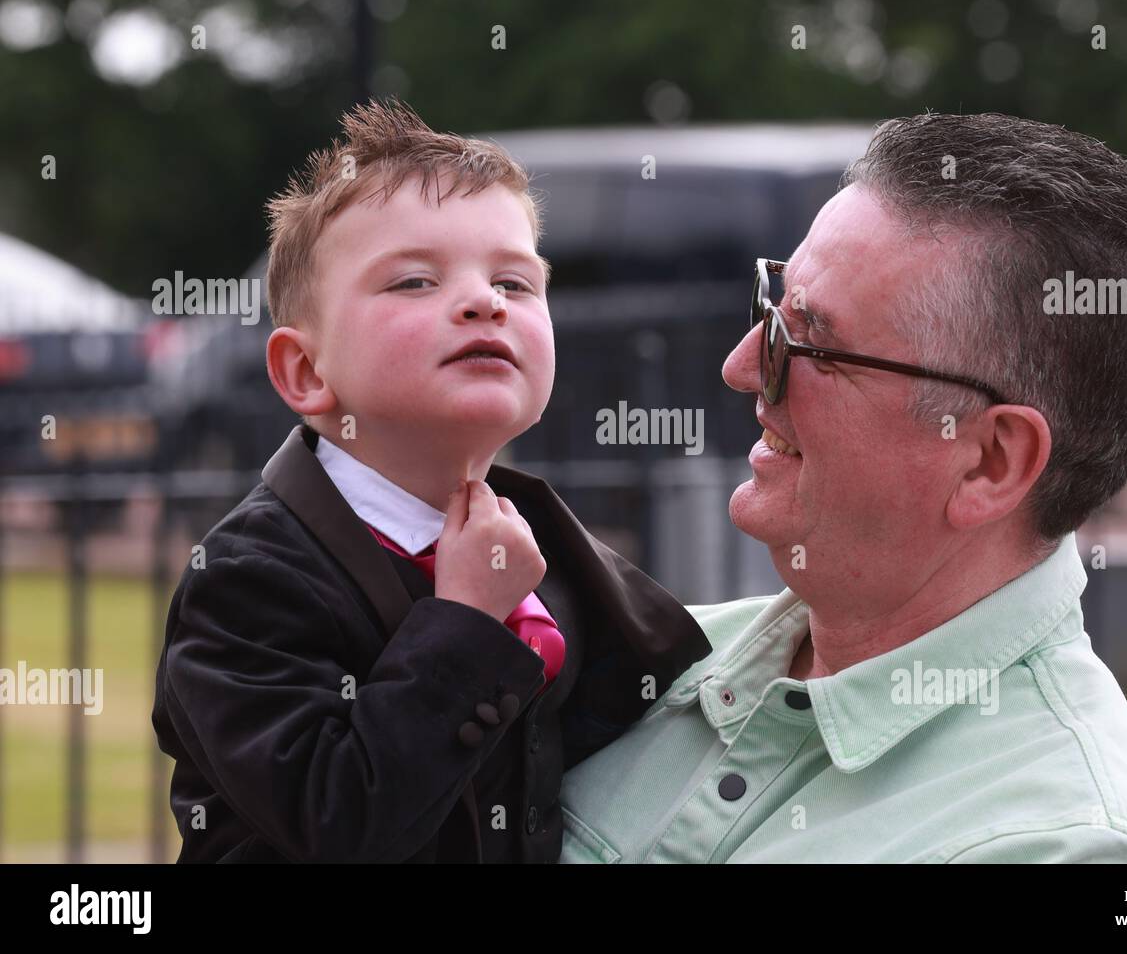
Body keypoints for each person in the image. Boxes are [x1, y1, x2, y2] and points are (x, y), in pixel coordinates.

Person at [558, 113, 1127, 863]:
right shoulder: (643, 661)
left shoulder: (1069, 843)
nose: (742, 369)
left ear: (990, 462)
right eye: (768, 305)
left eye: (805, 344)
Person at [150, 99, 710, 863]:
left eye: (516, 283)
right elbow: (335, 821)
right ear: (307, 372)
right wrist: (470, 622)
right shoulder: (248, 579)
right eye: (415, 282)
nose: (485, 301)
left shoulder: (536, 542)